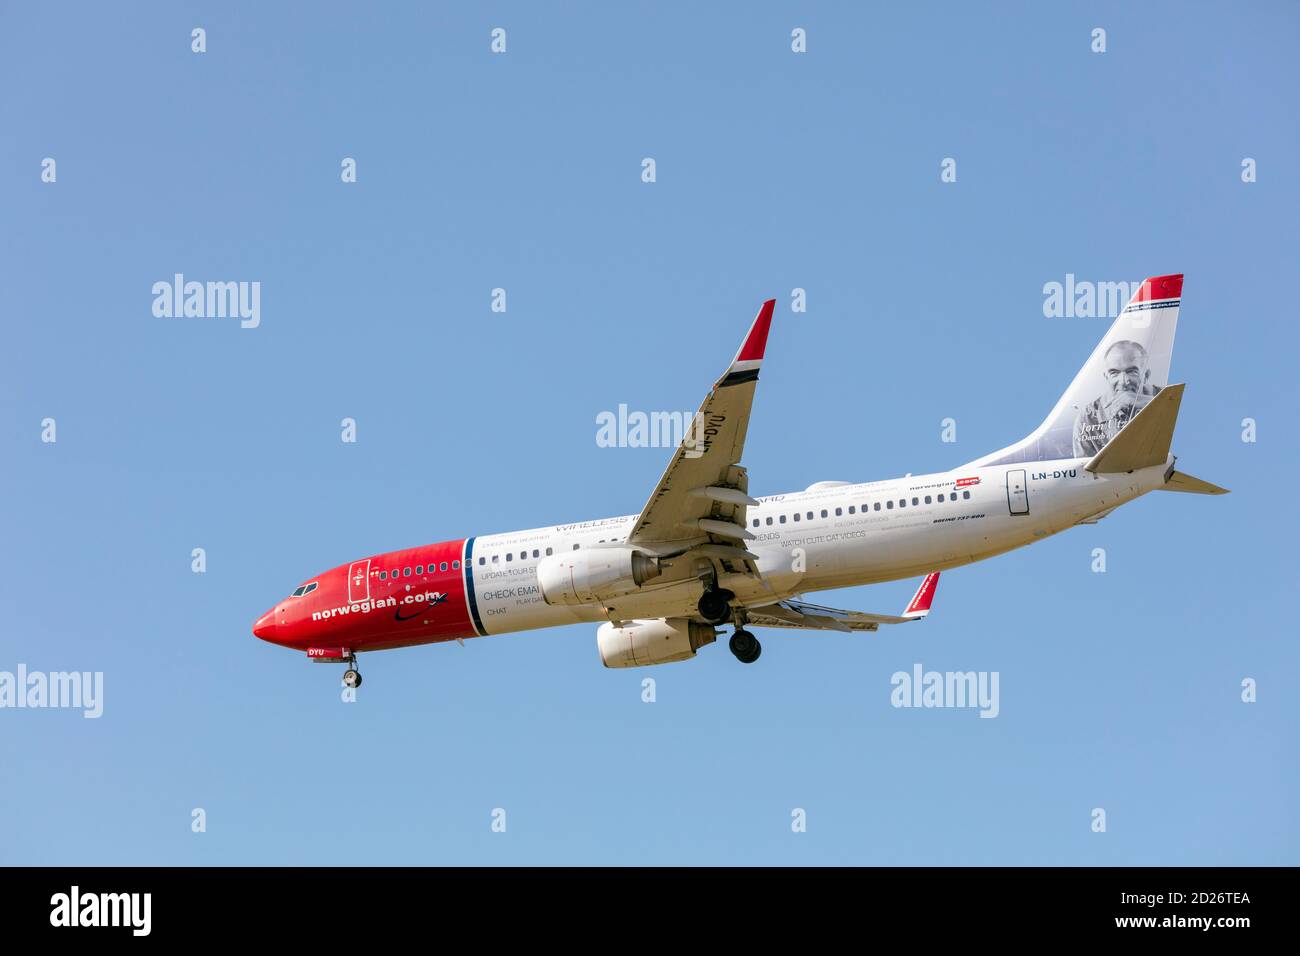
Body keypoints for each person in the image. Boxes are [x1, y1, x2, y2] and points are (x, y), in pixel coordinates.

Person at [1072, 340, 1162, 457]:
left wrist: (1152, 404)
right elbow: (1083, 469)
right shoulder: (1088, 417)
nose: (1124, 381)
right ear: (1106, 377)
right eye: (1114, 373)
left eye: (1132, 372)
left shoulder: (1167, 396)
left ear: (1146, 375)